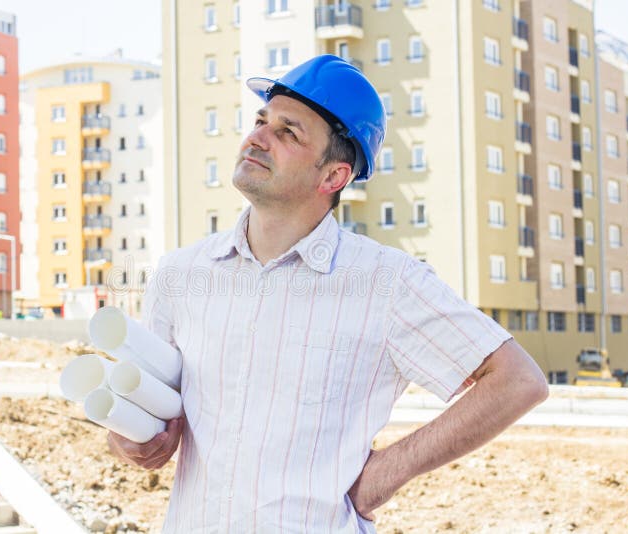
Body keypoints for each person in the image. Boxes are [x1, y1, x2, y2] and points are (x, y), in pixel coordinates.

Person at [107, 55, 548, 532]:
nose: (257, 137)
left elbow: (518, 380)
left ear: (334, 177)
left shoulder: (386, 283)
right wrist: (130, 439)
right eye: (261, 120)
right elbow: (144, 412)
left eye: (287, 132)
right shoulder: (181, 274)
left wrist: (386, 472)